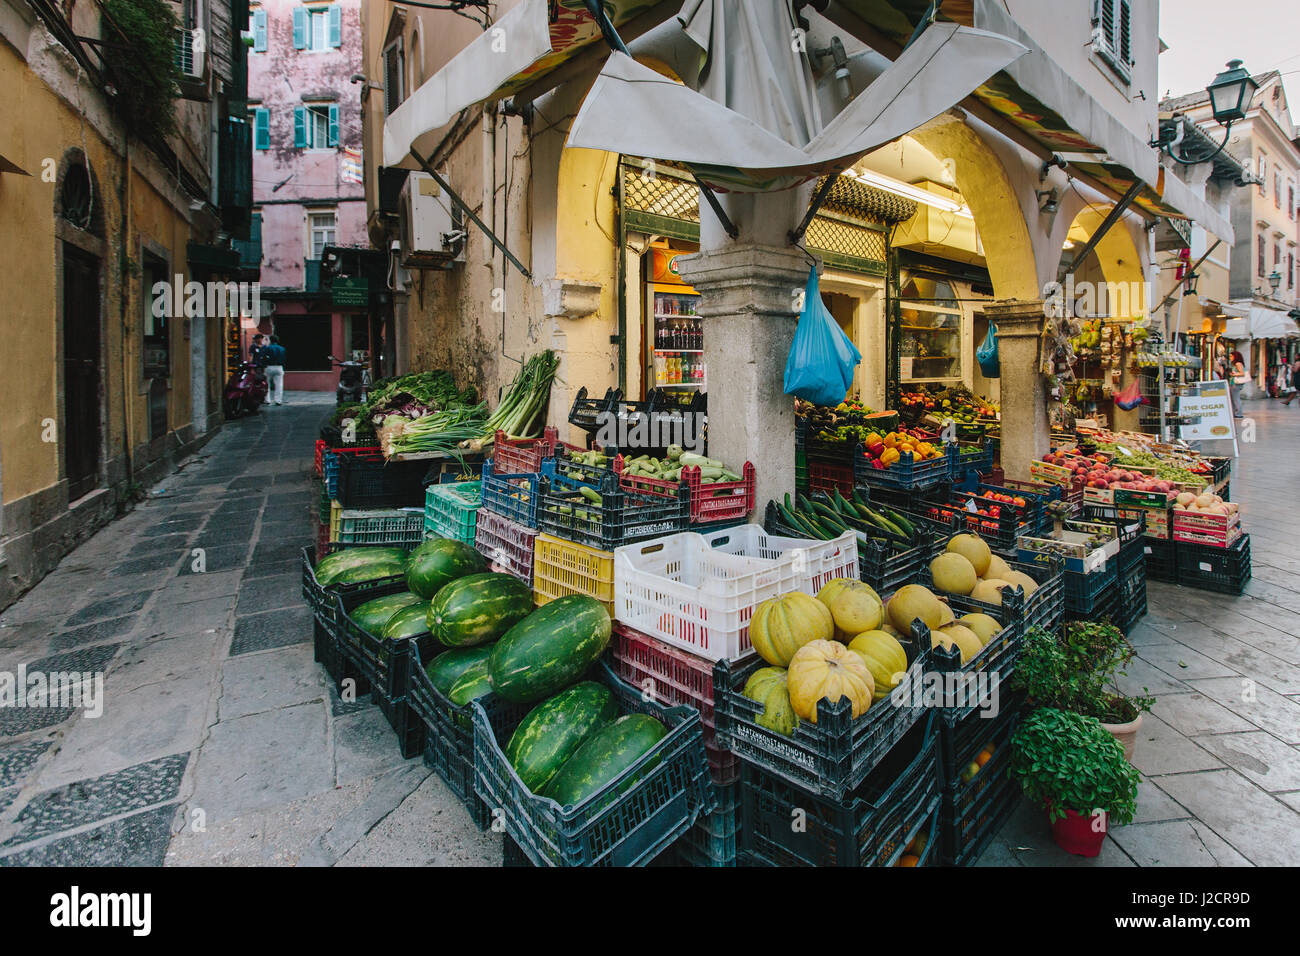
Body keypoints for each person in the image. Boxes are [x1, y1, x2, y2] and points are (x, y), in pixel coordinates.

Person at [261, 334, 287, 406]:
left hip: (269, 367)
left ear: (270, 340)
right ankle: (278, 400)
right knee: (279, 384)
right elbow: (284, 359)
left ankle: (267, 400)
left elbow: (264, 358)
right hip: (279, 367)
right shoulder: (282, 349)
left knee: (267, 384)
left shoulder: (267, 348)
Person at [1228, 350, 1247, 418]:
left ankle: (1238, 413)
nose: (1230, 357)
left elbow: (1242, 373)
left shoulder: (1238, 363)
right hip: (1234, 383)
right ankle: (1235, 412)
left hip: (1236, 383)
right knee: (1233, 398)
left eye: (1231, 356)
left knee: (1235, 398)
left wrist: (1233, 374)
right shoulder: (1236, 364)